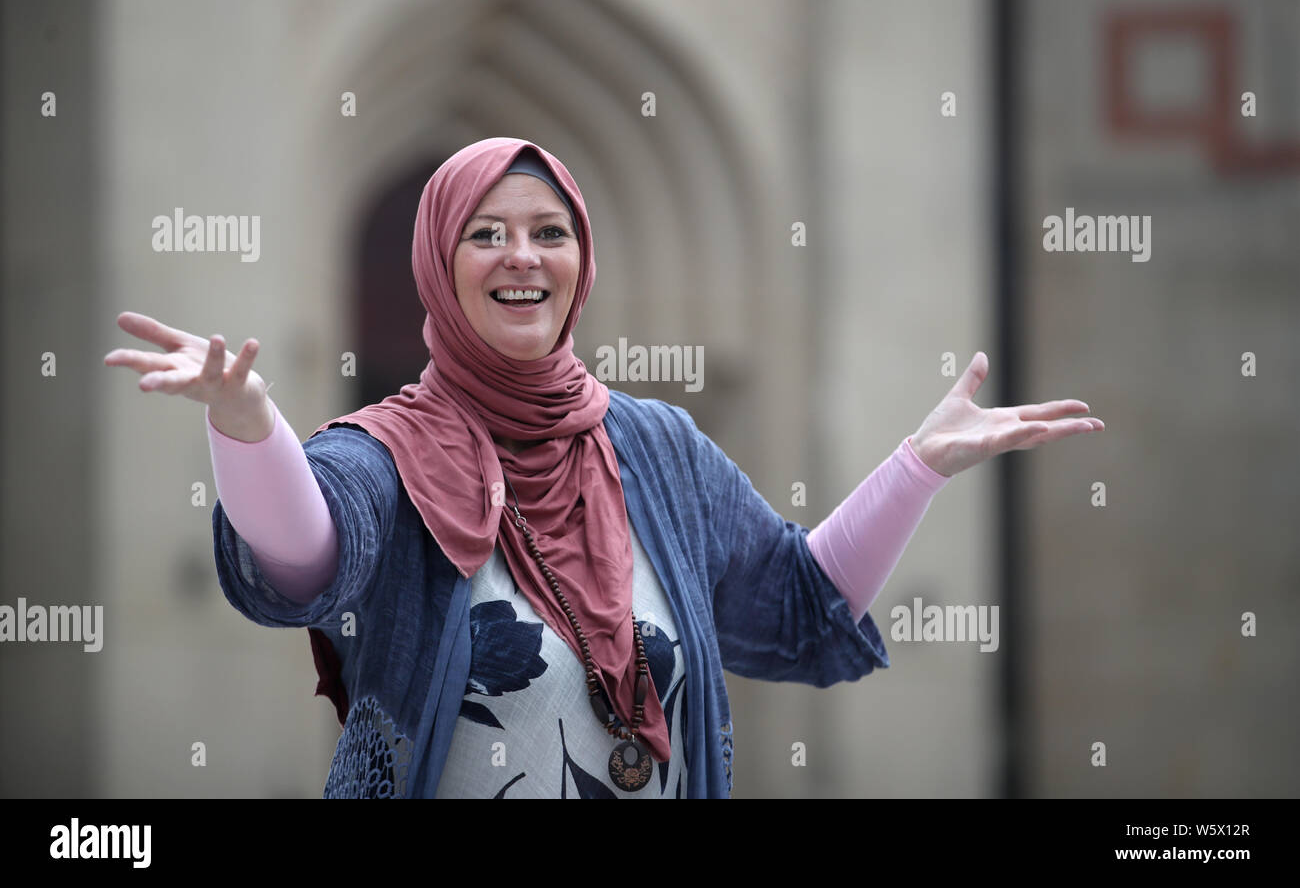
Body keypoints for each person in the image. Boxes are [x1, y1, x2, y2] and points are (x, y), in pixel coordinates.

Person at [104, 137, 1103, 798]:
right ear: (439, 267)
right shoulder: (386, 449)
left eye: (550, 233)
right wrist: (247, 424)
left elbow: (796, 599)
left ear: (582, 260)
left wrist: (917, 466)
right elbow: (303, 558)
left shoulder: (655, 445)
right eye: (486, 235)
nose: (522, 257)